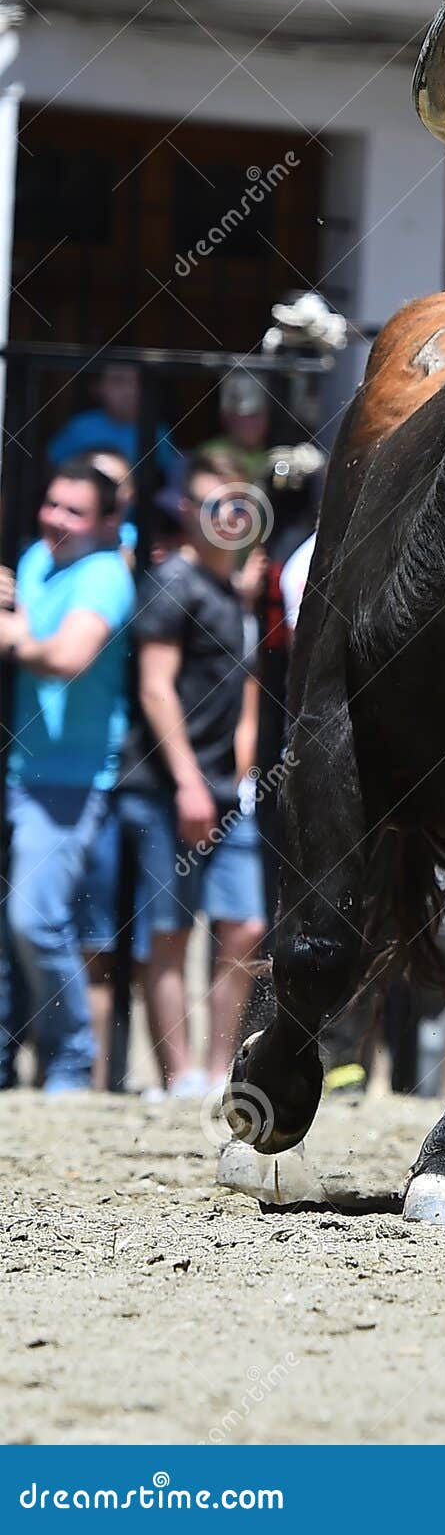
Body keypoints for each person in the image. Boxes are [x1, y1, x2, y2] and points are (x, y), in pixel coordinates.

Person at [116, 452, 268, 1098]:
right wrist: (188, 782)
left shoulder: (238, 594)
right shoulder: (172, 584)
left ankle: (217, 1072)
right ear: (188, 511)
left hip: (229, 796)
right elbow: (154, 690)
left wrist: (240, 775)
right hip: (168, 788)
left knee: (246, 927)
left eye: (236, 503)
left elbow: (248, 694)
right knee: (171, 932)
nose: (226, 516)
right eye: (212, 503)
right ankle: (178, 1077)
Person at [0, 461, 135, 1092]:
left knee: (35, 920)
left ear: (110, 523)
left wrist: (10, 634)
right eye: (52, 504)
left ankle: (73, 1062)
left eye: (75, 512)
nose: (56, 520)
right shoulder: (34, 560)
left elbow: (65, 658)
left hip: (71, 780)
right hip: (22, 770)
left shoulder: (106, 574)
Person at [46, 363, 177, 475]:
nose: (130, 390)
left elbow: (167, 478)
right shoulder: (79, 426)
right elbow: (52, 466)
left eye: (138, 382)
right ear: (97, 387)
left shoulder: (157, 430)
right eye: (118, 381)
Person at [200, 371, 273, 485]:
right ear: (227, 418)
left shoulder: (268, 453)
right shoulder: (211, 452)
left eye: (260, 415)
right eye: (249, 417)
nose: (256, 423)